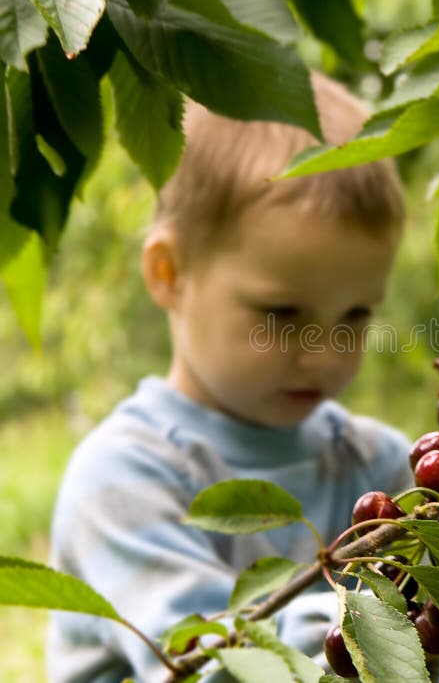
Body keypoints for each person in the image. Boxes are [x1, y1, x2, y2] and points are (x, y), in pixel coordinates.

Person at [47, 72, 414, 682]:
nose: (324, 353)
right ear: (169, 274)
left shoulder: (375, 466)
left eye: (354, 314)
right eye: (281, 314)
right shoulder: (120, 480)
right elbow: (216, 660)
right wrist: (401, 624)